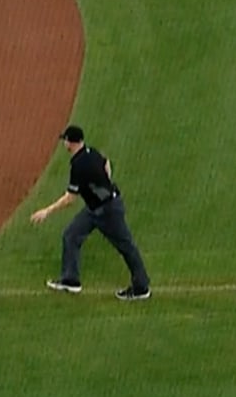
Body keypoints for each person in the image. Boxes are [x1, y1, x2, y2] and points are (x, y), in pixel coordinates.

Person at [30, 125, 151, 300]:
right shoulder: (90, 152)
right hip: (95, 208)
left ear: (69, 143)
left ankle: (141, 287)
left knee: (126, 246)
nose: (64, 143)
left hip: (108, 211)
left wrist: (47, 211)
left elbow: (70, 198)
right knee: (71, 235)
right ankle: (71, 280)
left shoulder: (78, 165)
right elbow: (106, 163)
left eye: (65, 140)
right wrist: (104, 183)